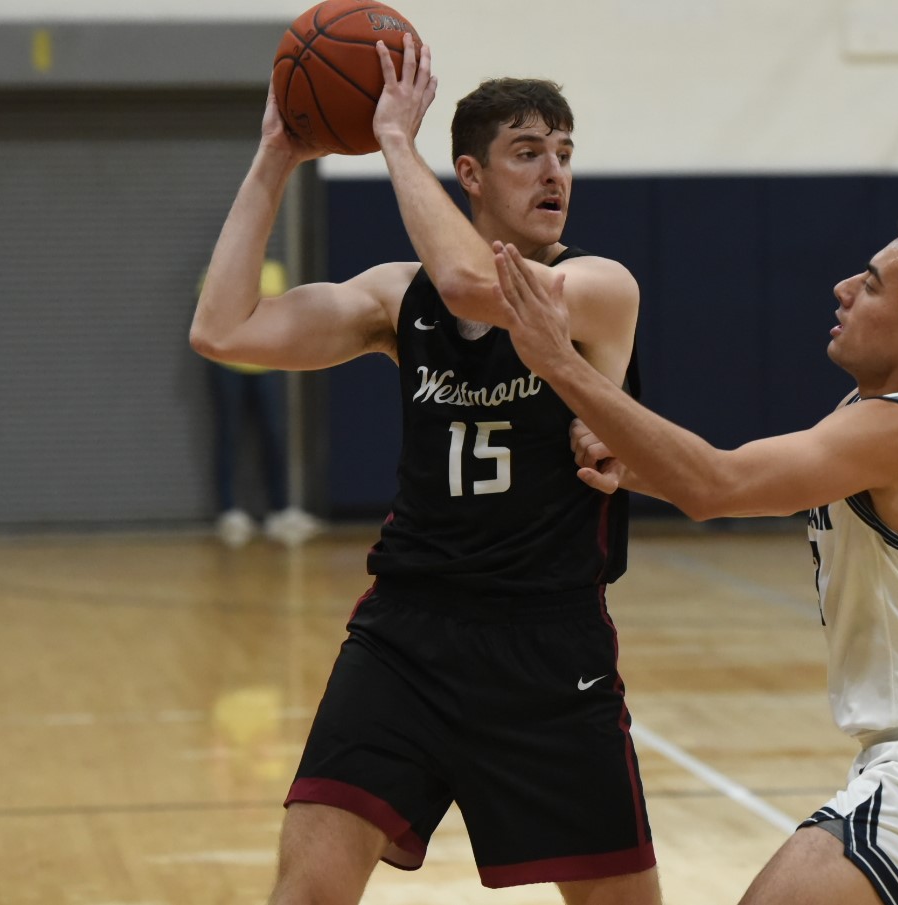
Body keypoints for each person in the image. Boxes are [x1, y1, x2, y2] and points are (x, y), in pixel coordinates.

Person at [189, 37, 658, 905]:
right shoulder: (394, 298)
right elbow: (222, 329)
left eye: (563, 153)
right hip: (407, 634)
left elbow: (475, 286)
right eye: (527, 153)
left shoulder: (597, 287)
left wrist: (394, 140)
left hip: (547, 639)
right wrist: (274, 157)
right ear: (469, 175)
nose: (554, 172)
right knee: (307, 890)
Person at [491, 199, 898, 905]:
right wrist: (631, 467)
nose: (843, 288)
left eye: (871, 285)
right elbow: (735, 483)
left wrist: (560, 363)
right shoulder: (885, 414)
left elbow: (714, 485)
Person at [202, 260, 290, 547]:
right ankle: (229, 511)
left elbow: (275, 312)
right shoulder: (220, 267)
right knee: (229, 434)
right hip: (227, 364)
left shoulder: (274, 271)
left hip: (266, 365)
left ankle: (279, 511)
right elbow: (214, 309)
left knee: (273, 435)